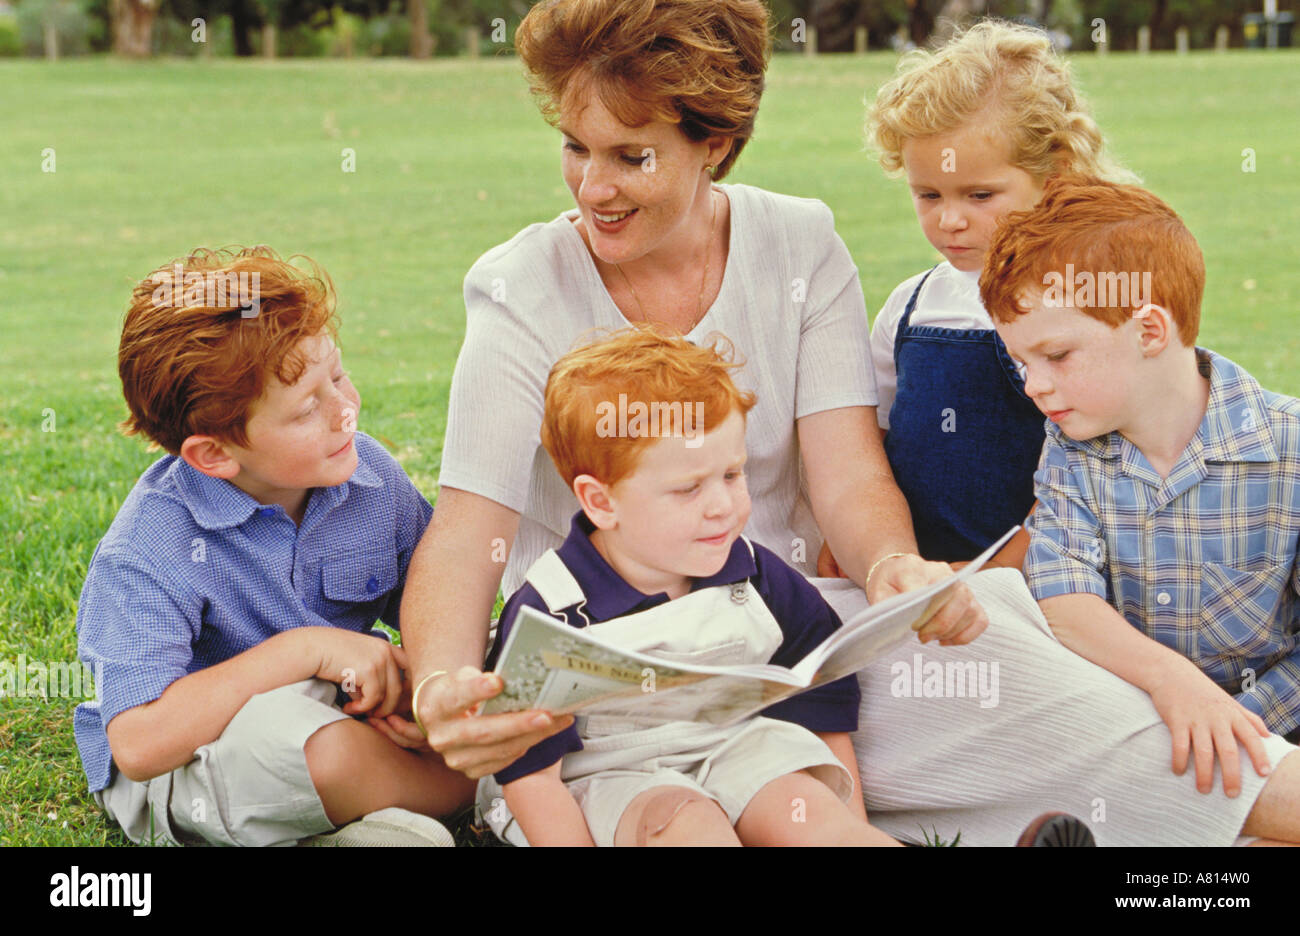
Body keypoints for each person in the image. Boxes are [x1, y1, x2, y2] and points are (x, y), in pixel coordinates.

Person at [386, 0, 1300, 846]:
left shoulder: (798, 243)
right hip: (612, 694)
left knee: (1014, 648)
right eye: (575, 148)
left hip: (790, 650)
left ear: (719, 144)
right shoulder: (520, 284)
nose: (594, 187)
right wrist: (443, 689)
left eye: (633, 156)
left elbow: (849, 477)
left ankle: (1263, 802)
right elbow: (470, 531)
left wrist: (891, 567)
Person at [75, 247, 473, 846]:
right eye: (308, 407)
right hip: (189, 763)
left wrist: (425, 687)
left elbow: (434, 602)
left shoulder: (367, 477)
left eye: (336, 377)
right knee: (327, 753)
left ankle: (362, 815)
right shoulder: (149, 548)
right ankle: (474, 787)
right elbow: (138, 744)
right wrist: (308, 649)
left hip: (329, 713)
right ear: (215, 454)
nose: (345, 413)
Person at [481, 326, 896, 846]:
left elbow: (820, 694)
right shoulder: (551, 613)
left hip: (735, 750)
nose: (722, 504)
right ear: (602, 501)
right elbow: (530, 775)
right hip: (615, 780)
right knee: (687, 824)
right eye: (688, 488)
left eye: (731, 473)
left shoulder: (753, 575)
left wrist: (846, 823)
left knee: (807, 811)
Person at [983, 177, 1300, 787]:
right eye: (1023, 363)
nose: (1034, 386)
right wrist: (1171, 684)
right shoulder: (1073, 451)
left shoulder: (1287, 447)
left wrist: (1230, 727)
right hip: (1129, 728)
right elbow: (1065, 599)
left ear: (1149, 332)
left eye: (1055, 356)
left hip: (1272, 738)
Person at [820, 19, 1138, 572]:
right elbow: (868, 448)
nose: (949, 220)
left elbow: (1088, 474)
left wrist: (986, 580)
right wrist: (860, 551)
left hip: (1051, 583)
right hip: (918, 580)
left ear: (1055, 172)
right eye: (928, 194)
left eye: (980, 195)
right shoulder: (911, 306)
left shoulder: (1089, 305)